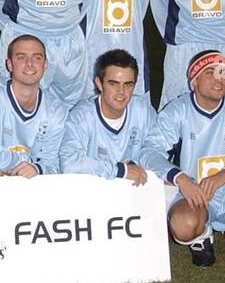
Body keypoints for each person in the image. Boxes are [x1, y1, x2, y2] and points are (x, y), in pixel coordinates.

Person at [140, 50, 225, 280]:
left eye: (223, 73)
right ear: (193, 80)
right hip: (195, 194)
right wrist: (181, 179)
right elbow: (149, 152)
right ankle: (203, 235)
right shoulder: (178, 110)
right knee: (183, 227)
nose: (219, 78)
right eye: (210, 72)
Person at [0, 35, 68, 177]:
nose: (29, 64)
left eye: (37, 58)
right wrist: (25, 163)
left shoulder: (56, 110)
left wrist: (37, 169)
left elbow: (53, 163)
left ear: (45, 65)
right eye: (21, 57)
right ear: (9, 64)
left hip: (31, 175)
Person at [60, 49, 156, 183]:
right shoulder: (82, 115)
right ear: (99, 84)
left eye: (128, 85)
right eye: (113, 84)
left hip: (134, 191)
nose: (121, 92)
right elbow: (69, 163)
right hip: (93, 192)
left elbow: (157, 150)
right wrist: (121, 170)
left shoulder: (142, 110)